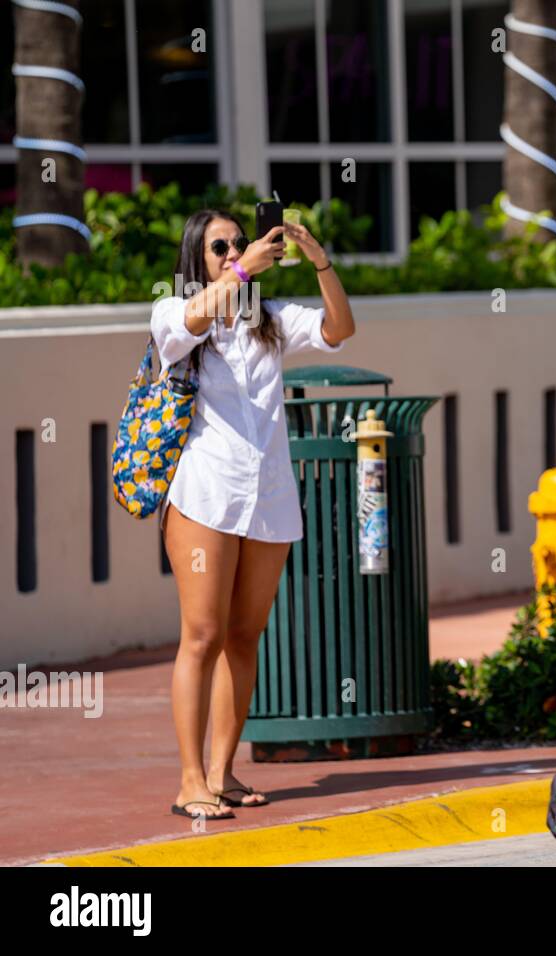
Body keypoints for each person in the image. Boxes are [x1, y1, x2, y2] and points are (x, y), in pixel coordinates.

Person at [152, 208, 357, 819]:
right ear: (198, 257)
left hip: (266, 499)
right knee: (203, 636)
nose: (233, 252)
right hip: (204, 498)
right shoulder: (174, 312)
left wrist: (319, 259)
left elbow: (340, 328)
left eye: (239, 244)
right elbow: (189, 319)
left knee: (244, 638)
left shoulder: (269, 321)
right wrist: (240, 272)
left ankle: (221, 773)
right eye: (220, 248)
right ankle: (190, 781)